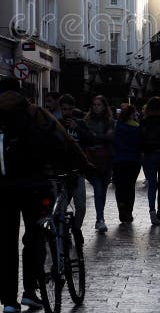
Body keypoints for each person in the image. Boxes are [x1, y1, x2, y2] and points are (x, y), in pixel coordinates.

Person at [0, 80, 89, 313]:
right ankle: (31, 291)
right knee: (36, 237)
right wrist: (84, 165)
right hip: (36, 186)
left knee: (4, 244)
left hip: (2, 189)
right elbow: (65, 141)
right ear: (21, 92)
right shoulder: (37, 113)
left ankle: (9, 301)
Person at [58, 94, 93, 229]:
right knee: (61, 206)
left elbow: (90, 140)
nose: (67, 113)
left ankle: (76, 230)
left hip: (77, 172)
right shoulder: (57, 124)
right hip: (61, 172)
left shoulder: (80, 123)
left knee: (81, 206)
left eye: (70, 110)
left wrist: (77, 127)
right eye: (64, 109)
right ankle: (61, 234)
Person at [84, 95, 115, 233]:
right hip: (93, 160)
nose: (96, 107)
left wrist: (95, 137)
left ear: (104, 106)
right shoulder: (87, 120)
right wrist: (100, 138)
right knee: (98, 189)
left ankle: (100, 217)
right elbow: (87, 137)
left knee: (102, 190)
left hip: (106, 160)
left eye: (99, 105)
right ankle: (100, 219)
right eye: (94, 104)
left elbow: (110, 137)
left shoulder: (109, 121)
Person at [140, 96, 160, 225]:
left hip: (149, 156)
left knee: (152, 184)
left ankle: (152, 210)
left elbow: (140, 139)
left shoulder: (144, 121)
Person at [112, 103, 141, 223]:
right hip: (134, 161)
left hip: (119, 160)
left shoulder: (117, 126)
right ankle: (128, 211)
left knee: (119, 186)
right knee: (130, 186)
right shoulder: (137, 128)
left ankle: (121, 206)